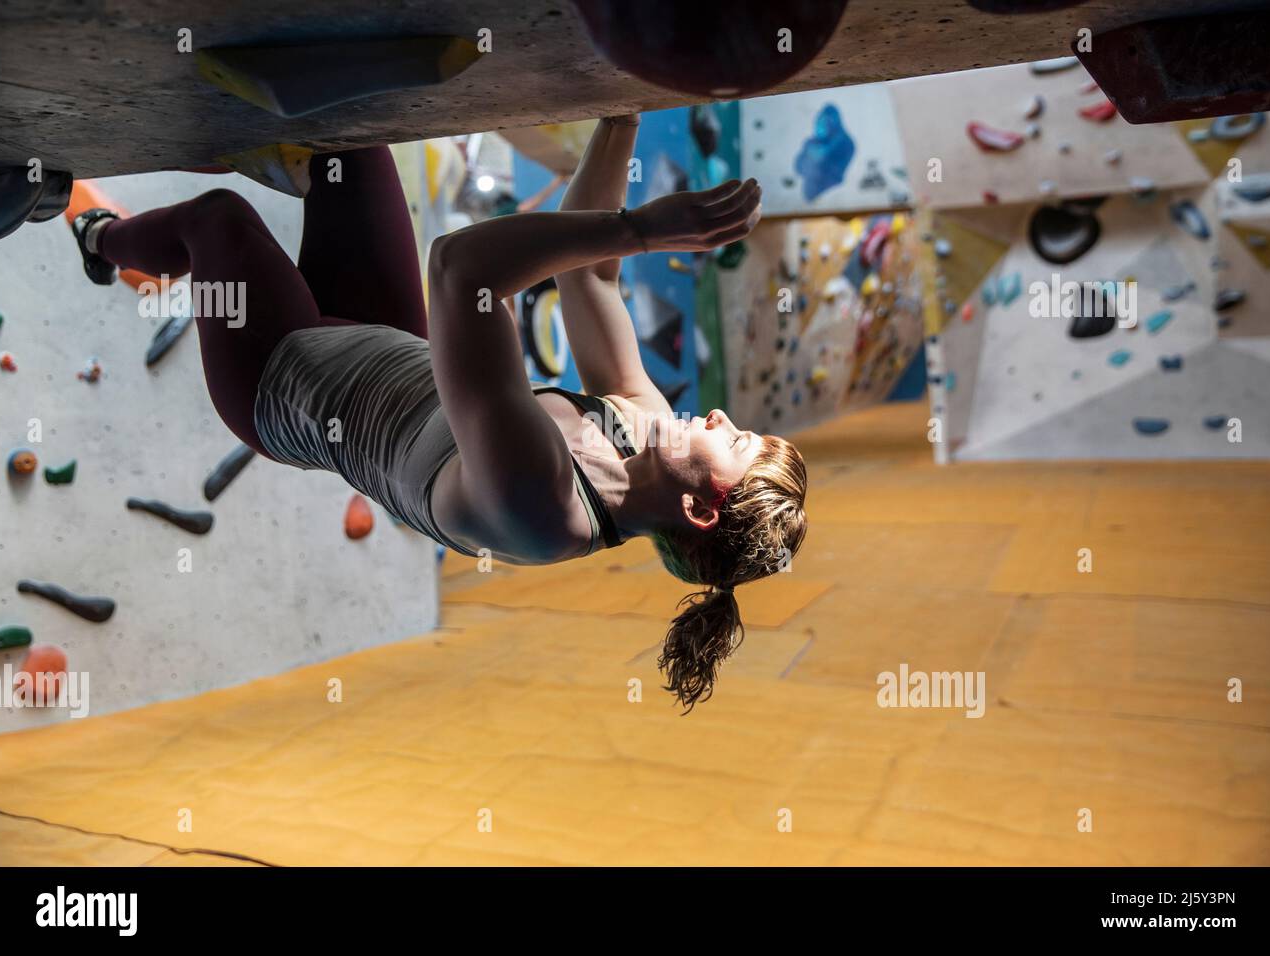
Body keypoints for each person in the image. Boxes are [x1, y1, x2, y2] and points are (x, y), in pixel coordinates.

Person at [70, 115, 807, 709]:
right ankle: (283, 145)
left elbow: (459, 270)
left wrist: (642, 230)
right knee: (353, 132)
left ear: (703, 510)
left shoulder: (544, 507)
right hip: (380, 330)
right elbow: (593, 281)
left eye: (733, 440)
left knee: (219, 220)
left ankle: (98, 240)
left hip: (283, 378)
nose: (715, 416)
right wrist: (623, 111)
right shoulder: (641, 426)